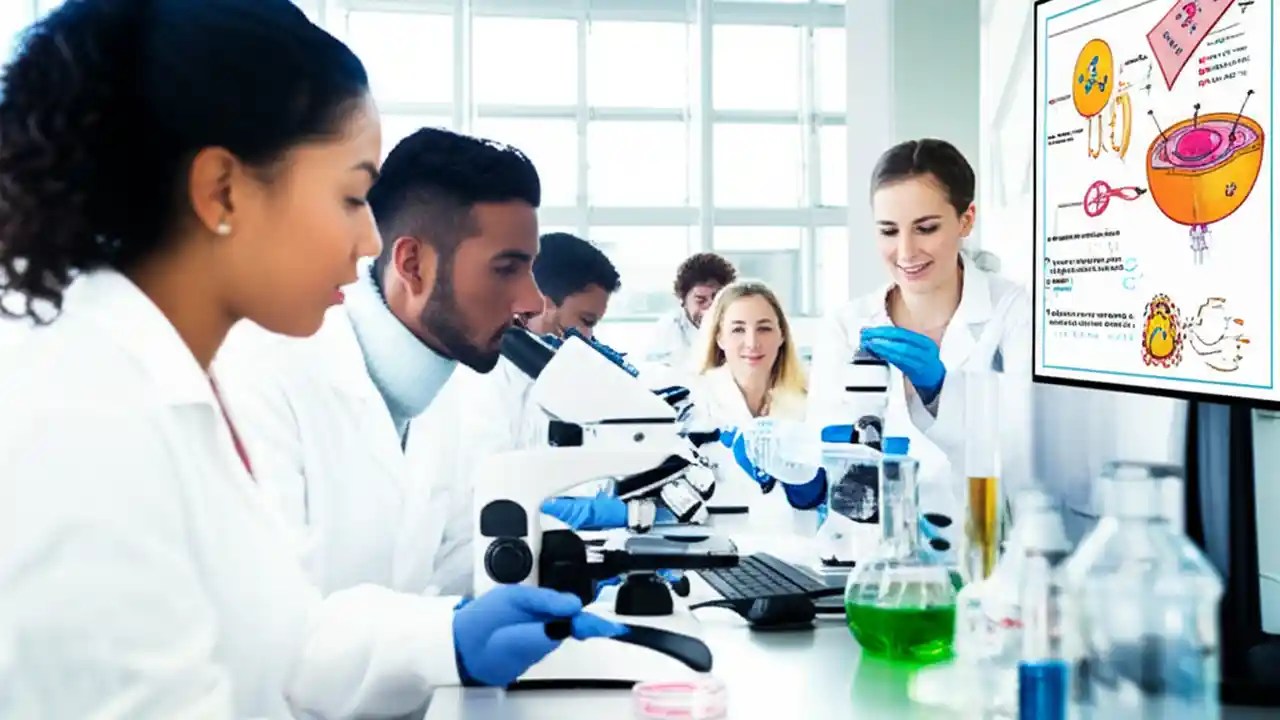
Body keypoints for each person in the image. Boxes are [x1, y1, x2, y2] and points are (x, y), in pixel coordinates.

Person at [0, 3, 622, 718]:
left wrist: (444, 641)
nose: (368, 243)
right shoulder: (79, 418)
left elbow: (279, 637)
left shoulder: (165, 379)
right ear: (223, 191)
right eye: (353, 196)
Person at [213, 126, 548, 597]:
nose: (533, 301)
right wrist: (443, 637)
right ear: (413, 265)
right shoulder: (263, 371)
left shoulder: (446, 387)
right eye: (506, 269)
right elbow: (273, 619)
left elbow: (454, 560)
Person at [808, 138, 1032, 558]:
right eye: (889, 231)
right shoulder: (848, 325)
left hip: (980, 554)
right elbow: (831, 455)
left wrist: (941, 394)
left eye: (926, 228)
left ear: (966, 220)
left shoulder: (1012, 311)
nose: (906, 251)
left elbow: (1021, 453)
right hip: (870, 558)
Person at [396, 231, 623, 596]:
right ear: (545, 304)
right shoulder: (480, 382)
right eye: (586, 320)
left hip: (496, 574)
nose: (589, 337)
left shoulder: (531, 379)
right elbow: (492, 503)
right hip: (455, 588)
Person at [687, 279, 828, 534]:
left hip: (795, 553)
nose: (752, 343)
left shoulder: (809, 402)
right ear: (719, 337)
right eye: (738, 329)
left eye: (764, 328)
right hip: (717, 553)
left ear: (782, 334)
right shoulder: (694, 400)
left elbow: (823, 494)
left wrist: (803, 480)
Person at [643, 251, 737, 379]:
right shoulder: (667, 329)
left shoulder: (738, 324)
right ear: (683, 300)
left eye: (716, 299)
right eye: (700, 300)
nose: (710, 308)